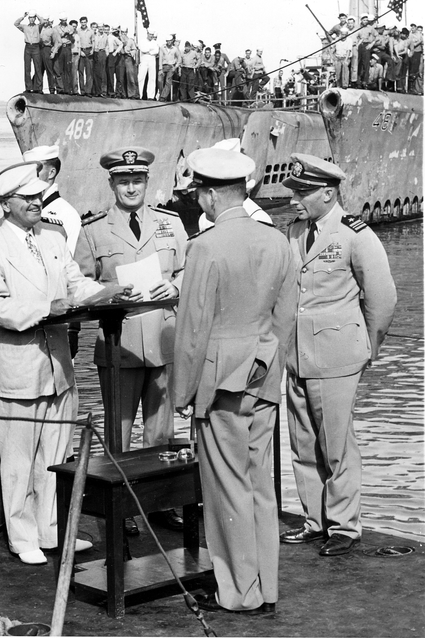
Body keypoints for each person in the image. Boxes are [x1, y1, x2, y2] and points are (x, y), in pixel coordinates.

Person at [0, 162, 127, 566]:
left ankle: (54, 531)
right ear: (7, 204)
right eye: (28, 198)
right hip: (18, 368)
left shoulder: (54, 237)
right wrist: (47, 308)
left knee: (57, 457)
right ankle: (22, 537)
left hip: (58, 366)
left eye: (40, 195)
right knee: (19, 459)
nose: (38, 202)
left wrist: (111, 291)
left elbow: (75, 284)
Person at [174, 147, 297, 615]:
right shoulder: (277, 240)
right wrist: (269, 362)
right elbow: (286, 317)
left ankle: (239, 592)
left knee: (225, 487)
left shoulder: (204, 247)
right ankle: (266, 586)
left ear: (207, 195)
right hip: (264, 377)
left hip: (219, 381)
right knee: (259, 483)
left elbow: (191, 332)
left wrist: (184, 395)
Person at [280, 153, 397, 557]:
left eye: (303, 193)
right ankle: (315, 521)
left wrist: (368, 346)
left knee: (336, 444)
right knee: (302, 442)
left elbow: (381, 300)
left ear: (327, 194)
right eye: (294, 192)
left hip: (337, 354)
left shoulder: (355, 234)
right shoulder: (295, 231)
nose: (295, 200)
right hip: (296, 354)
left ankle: (345, 526)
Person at [74, 147, 187, 536]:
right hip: (117, 340)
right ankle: (121, 510)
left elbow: (190, 270)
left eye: (137, 180)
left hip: (163, 338)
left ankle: (161, 505)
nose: (131, 188)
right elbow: (79, 283)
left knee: (161, 433)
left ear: (147, 182)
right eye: (124, 181)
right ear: (112, 184)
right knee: (118, 432)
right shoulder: (93, 230)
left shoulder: (171, 224)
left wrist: (173, 284)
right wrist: (110, 293)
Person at [21, 145, 81, 253]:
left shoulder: (67, 215)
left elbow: (72, 260)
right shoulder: (21, 208)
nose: (29, 175)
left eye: (35, 170)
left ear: (51, 173)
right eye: (26, 170)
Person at [14, 11, 44, 93]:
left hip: (36, 47)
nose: (32, 19)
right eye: (30, 18)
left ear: (35, 18)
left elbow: (43, 22)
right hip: (28, 47)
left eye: (33, 18)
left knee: (38, 68)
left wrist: (37, 14)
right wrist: (23, 16)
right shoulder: (25, 27)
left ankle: (38, 88)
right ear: (28, 19)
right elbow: (16, 23)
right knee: (27, 68)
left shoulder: (38, 27)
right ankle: (28, 88)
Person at [157, 35, 180, 101]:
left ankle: (163, 97)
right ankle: (162, 94)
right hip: (163, 66)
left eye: (170, 41)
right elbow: (160, 58)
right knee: (159, 80)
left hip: (171, 66)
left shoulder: (175, 49)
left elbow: (179, 58)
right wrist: (160, 69)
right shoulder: (162, 47)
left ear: (172, 41)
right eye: (167, 41)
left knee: (168, 81)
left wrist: (175, 67)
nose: (169, 42)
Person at [138, 31, 159, 99]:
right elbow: (143, 49)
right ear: (147, 34)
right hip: (144, 59)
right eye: (150, 34)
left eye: (152, 35)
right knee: (141, 77)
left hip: (152, 59)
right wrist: (150, 49)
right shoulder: (142, 41)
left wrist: (148, 50)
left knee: (152, 78)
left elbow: (156, 51)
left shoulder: (154, 42)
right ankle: (139, 94)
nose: (151, 36)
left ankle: (151, 96)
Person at [38, 16, 57, 94]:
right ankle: (39, 89)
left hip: (47, 49)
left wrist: (53, 52)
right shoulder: (39, 29)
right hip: (39, 50)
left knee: (49, 70)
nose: (45, 22)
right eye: (43, 20)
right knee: (39, 70)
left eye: (46, 20)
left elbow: (56, 42)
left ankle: (52, 89)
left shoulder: (52, 30)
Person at [77, 16, 94, 96]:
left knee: (89, 72)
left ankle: (88, 91)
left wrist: (92, 50)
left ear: (87, 22)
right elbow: (77, 43)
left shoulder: (91, 31)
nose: (83, 24)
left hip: (89, 51)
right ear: (80, 23)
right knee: (81, 72)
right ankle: (82, 91)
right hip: (81, 51)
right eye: (82, 22)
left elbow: (93, 41)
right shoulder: (78, 31)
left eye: (85, 22)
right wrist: (80, 51)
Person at [92, 22, 108, 97]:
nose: (101, 29)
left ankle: (102, 91)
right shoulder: (95, 35)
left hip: (103, 53)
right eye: (100, 28)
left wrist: (106, 54)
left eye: (102, 28)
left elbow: (107, 45)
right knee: (96, 73)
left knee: (102, 73)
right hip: (96, 53)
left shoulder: (106, 36)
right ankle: (96, 91)